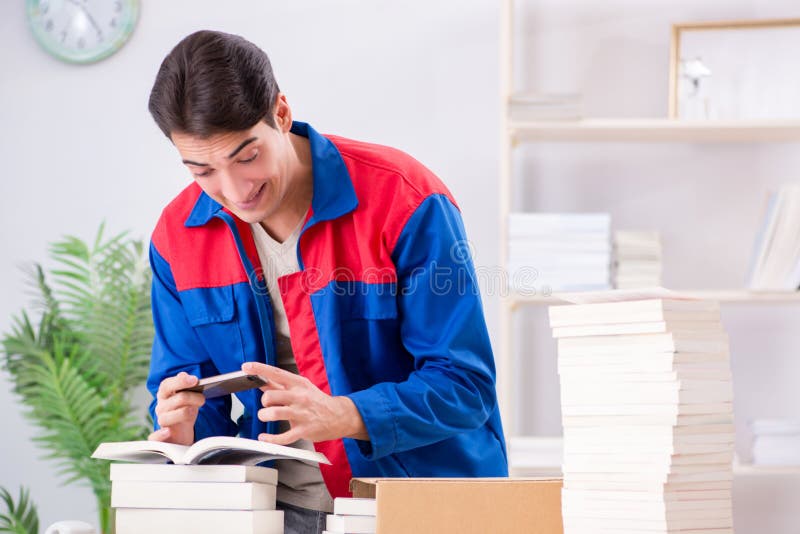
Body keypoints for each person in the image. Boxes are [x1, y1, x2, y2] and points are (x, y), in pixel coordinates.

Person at [145, 30, 507, 534]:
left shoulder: (404, 200)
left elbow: (466, 387)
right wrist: (181, 433)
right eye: (202, 170)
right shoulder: (176, 239)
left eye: (247, 157)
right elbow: (193, 403)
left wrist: (345, 414)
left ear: (282, 113)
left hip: (413, 507)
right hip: (269, 513)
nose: (232, 190)